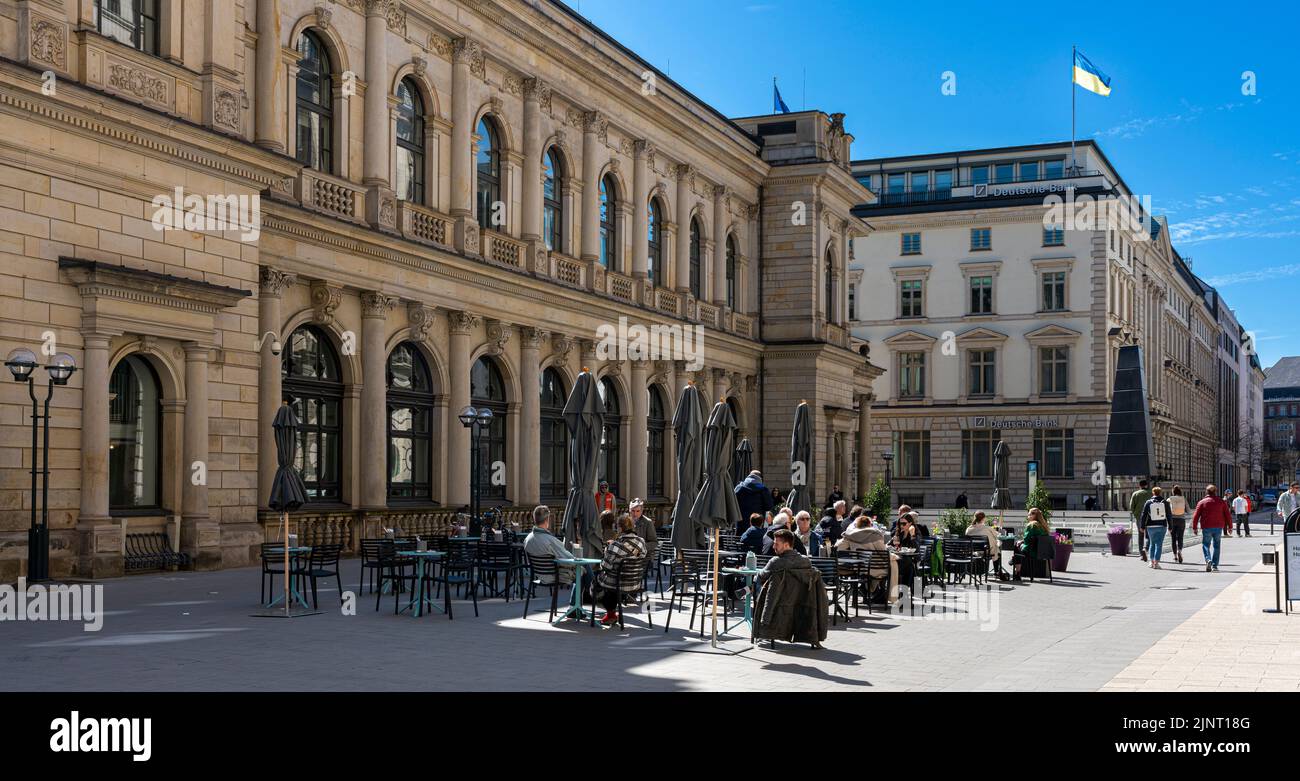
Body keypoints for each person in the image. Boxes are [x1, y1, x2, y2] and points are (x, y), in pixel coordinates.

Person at [754, 529, 828, 648]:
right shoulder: (805, 561)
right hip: (802, 603)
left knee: (757, 582)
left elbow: (762, 575)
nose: (773, 547)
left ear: (786, 545)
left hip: (779, 603)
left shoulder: (776, 562)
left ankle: (747, 595)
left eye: (776, 544)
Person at [594, 513, 648, 626]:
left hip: (619, 583)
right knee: (613, 581)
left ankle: (611, 614)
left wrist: (608, 549)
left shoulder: (616, 545)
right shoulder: (641, 542)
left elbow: (605, 566)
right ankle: (611, 615)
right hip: (635, 583)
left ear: (620, 528)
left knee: (596, 582)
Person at [836, 513, 898, 604]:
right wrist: (893, 556)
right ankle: (887, 595)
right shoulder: (876, 534)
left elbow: (839, 548)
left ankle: (875, 593)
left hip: (860, 568)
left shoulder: (850, 535)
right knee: (893, 563)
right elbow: (882, 551)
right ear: (870, 524)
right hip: (877, 568)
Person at [523, 505, 576, 586]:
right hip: (554, 576)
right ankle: (588, 597)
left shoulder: (527, 539)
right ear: (547, 520)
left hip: (539, 575)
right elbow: (570, 560)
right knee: (583, 570)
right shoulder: (550, 540)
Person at [1192, 485, 1232, 572]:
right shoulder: (1221, 502)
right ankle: (1214, 565)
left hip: (1206, 527)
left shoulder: (1202, 502)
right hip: (1218, 526)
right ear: (1215, 492)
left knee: (1206, 545)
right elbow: (1227, 515)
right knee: (1217, 546)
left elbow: (1195, 516)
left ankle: (1208, 559)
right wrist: (1230, 527)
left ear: (1206, 492)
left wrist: (1195, 527)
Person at [1011, 508, 1051, 581]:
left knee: (1016, 546)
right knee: (1018, 546)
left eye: (1029, 514)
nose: (1028, 516)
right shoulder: (1044, 526)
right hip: (1043, 552)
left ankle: (1017, 573)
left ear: (1033, 515)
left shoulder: (1031, 525)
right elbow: (1034, 538)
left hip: (1032, 552)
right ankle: (1013, 560)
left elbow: (1027, 540)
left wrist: (1021, 542)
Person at [1139, 486, 1172, 569]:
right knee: (1159, 544)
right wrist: (1170, 526)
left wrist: (1142, 526)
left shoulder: (1148, 502)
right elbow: (1169, 515)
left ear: (1153, 493)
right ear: (1160, 493)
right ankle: (1156, 563)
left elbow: (1143, 515)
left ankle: (1151, 562)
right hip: (1162, 525)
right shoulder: (1165, 502)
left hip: (1150, 526)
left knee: (1152, 544)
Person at [734, 470, 775, 535]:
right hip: (757, 523)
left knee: (741, 541)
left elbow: (733, 504)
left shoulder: (739, 488)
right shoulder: (763, 490)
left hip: (741, 522)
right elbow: (769, 506)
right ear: (760, 478)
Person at [965, 510, 1003, 577]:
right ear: (983, 519)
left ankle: (994, 571)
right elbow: (997, 535)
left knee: (995, 547)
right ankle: (996, 571)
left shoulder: (969, 529)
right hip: (987, 551)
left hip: (976, 551)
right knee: (997, 548)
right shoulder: (988, 528)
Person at [1129, 479, 1153, 562]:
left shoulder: (1135, 494)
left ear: (1139, 485)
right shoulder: (1151, 493)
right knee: (1149, 535)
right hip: (1150, 517)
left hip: (1139, 517)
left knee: (1140, 535)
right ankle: (1146, 549)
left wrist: (1136, 514)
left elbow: (1131, 507)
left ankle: (1141, 552)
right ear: (1146, 485)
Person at [1168, 485, 1188, 564]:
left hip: (1172, 520)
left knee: (1173, 538)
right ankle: (1179, 550)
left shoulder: (1170, 498)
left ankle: (1175, 556)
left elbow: (1166, 508)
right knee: (1180, 537)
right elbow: (1188, 510)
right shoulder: (1183, 499)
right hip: (1181, 520)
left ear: (1173, 491)